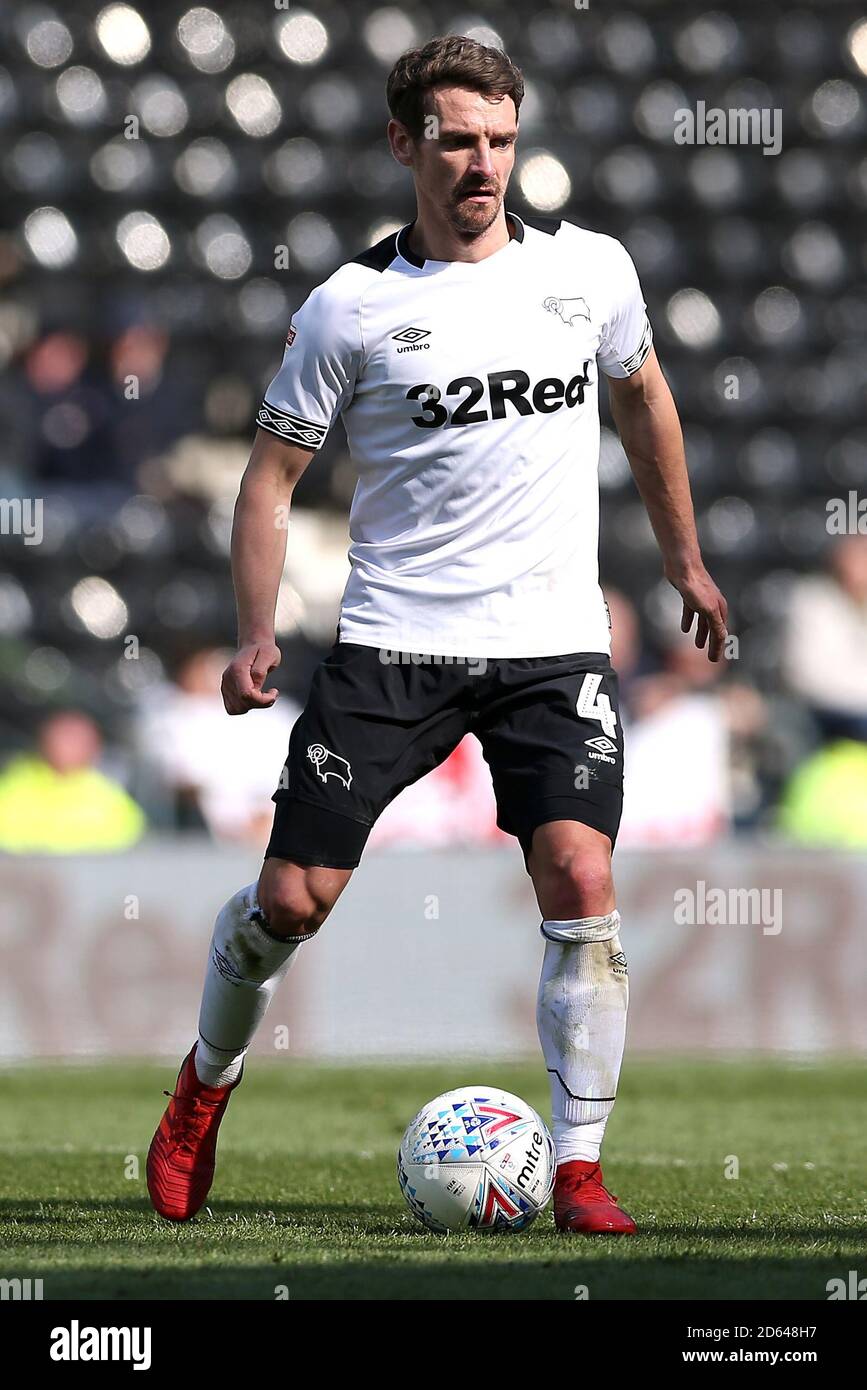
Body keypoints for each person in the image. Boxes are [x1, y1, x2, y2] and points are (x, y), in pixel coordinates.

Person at [147, 35, 727, 1235]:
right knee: (293, 901)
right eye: (458, 139)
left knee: (579, 876)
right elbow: (268, 483)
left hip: (550, 646)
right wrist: (256, 632)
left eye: (503, 140)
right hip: (393, 644)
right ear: (404, 142)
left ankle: (577, 1169)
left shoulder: (592, 273)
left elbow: (646, 401)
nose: (484, 165)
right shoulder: (352, 309)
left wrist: (684, 559)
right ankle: (205, 1082)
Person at [0, 709, 145, 854]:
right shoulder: (14, 787)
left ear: (94, 747)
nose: (66, 747)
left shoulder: (110, 797)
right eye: (62, 738)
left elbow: (129, 839)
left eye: (75, 740)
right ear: (43, 743)